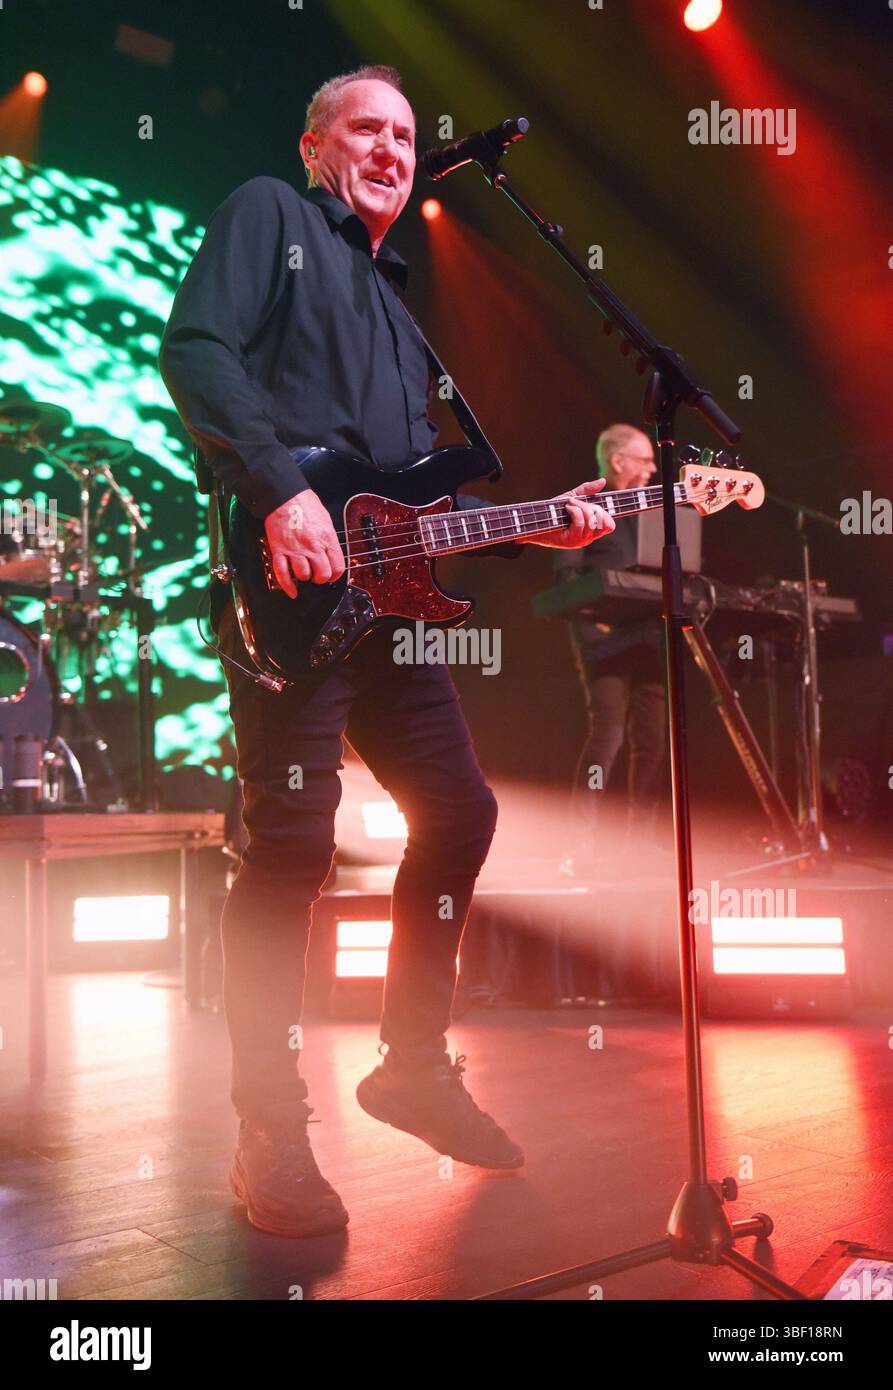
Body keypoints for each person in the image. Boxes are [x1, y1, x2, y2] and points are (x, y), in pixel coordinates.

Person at [160, 65, 615, 1238]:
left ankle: (411, 1061)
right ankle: (269, 1123)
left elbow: (410, 507)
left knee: (459, 817)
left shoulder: (403, 308)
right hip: (291, 599)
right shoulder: (270, 211)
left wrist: (534, 522)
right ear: (315, 146)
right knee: (287, 855)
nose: (390, 147)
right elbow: (199, 349)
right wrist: (277, 493)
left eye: (406, 134)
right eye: (364, 128)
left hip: (392, 619)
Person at [555, 423, 668, 871]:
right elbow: (564, 582)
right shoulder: (581, 508)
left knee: (654, 743)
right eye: (645, 460)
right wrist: (598, 619)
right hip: (603, 641)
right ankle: (580, 846)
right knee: (609, 738)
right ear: (618, 461)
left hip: (649, 640)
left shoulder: (654, 511)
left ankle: (639, 844)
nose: (653, 469)